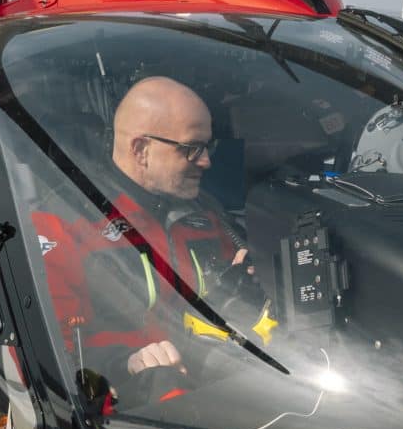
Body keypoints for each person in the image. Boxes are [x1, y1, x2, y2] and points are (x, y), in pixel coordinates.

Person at [33, 74, 273, 392]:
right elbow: (51, 356)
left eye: (208, 146)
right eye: (192, 148)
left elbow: (209, 301)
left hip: (226, 384)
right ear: (141, 150)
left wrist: (241, 283)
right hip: (140, 415)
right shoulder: (62, 224)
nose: (206, 161)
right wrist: (126, 365)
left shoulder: (203, 210)